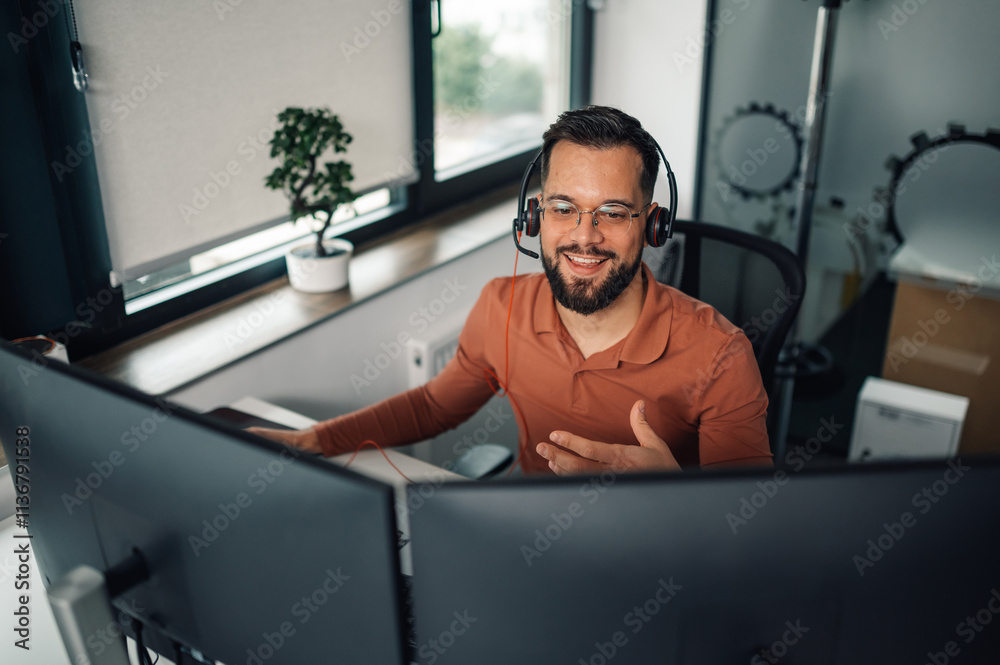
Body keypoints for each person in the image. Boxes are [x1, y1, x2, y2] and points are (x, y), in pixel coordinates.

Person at [250, 106, 772, 474]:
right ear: (533, 216)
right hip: (530, 546)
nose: (584, 237)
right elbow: (433, 407)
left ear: (653, 225)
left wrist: (671, 495)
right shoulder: (501, 306)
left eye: (613, 213)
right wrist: (314, 439)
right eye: (563, 208)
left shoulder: (721, 356)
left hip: (660, 568)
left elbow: (749, 532)